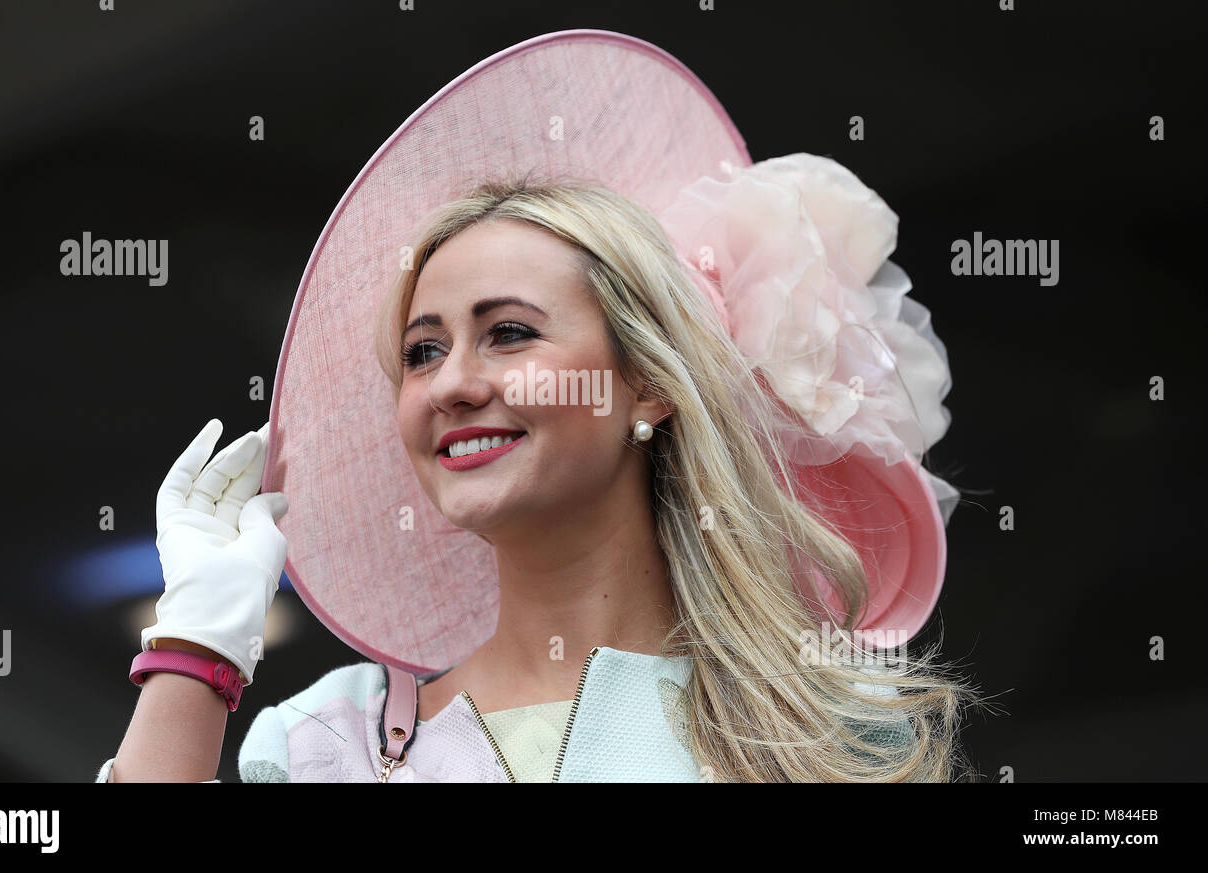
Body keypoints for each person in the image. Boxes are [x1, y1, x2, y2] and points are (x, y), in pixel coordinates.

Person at [98, 30, 980, 783]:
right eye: (422, 351)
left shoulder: (831, 734)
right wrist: (195, 645)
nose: (450, 383)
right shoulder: (326, 744)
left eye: (510, 332)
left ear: (650, 381)